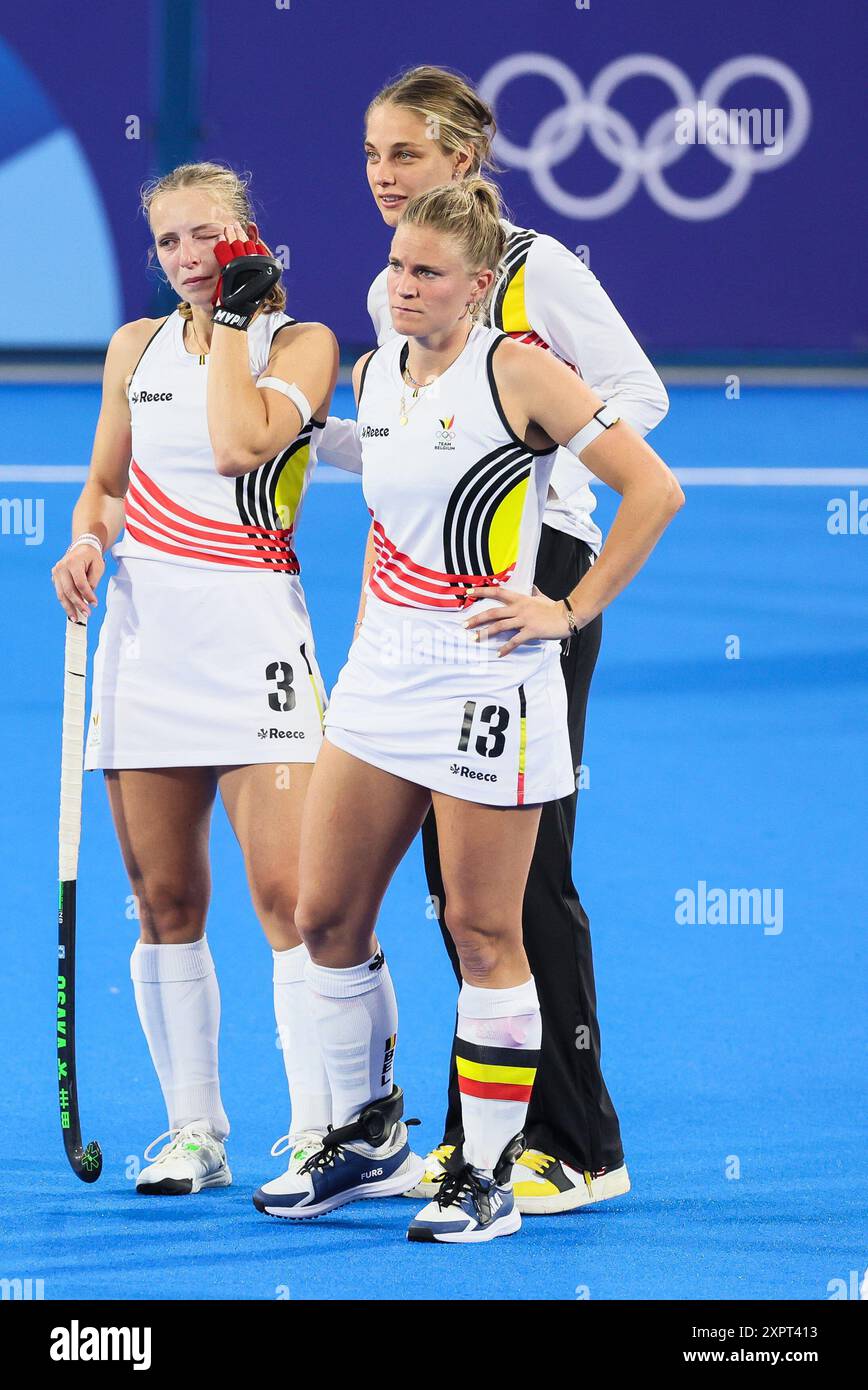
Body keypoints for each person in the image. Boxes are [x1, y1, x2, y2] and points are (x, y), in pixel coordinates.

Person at [252, 177, 683, 1243]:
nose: (400, 287)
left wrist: (568, 608)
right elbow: (399, 466)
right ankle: (366, 1139)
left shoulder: (522, 370)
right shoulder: (377, 368)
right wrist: (307, 430)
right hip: (382, 679)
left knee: (481, 925)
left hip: (488, 679)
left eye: (426, 273)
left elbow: (654, 488)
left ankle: (484, 1176)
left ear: (479, 285)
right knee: (324, 918)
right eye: (396, 266)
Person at [50, 161, 346, 1197]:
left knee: (291, 898)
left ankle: (322, 1129)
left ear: (248, 238)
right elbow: (104, 484)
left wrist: (235, 319)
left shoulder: (300, 344)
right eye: (170, 241)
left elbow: (240, 451)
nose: (188, 259)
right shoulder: (131, 348)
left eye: (207, 238)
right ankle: (195, 1129)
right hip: (145, 646)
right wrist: (85, 541)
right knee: (162, 896)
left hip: (256, 641)